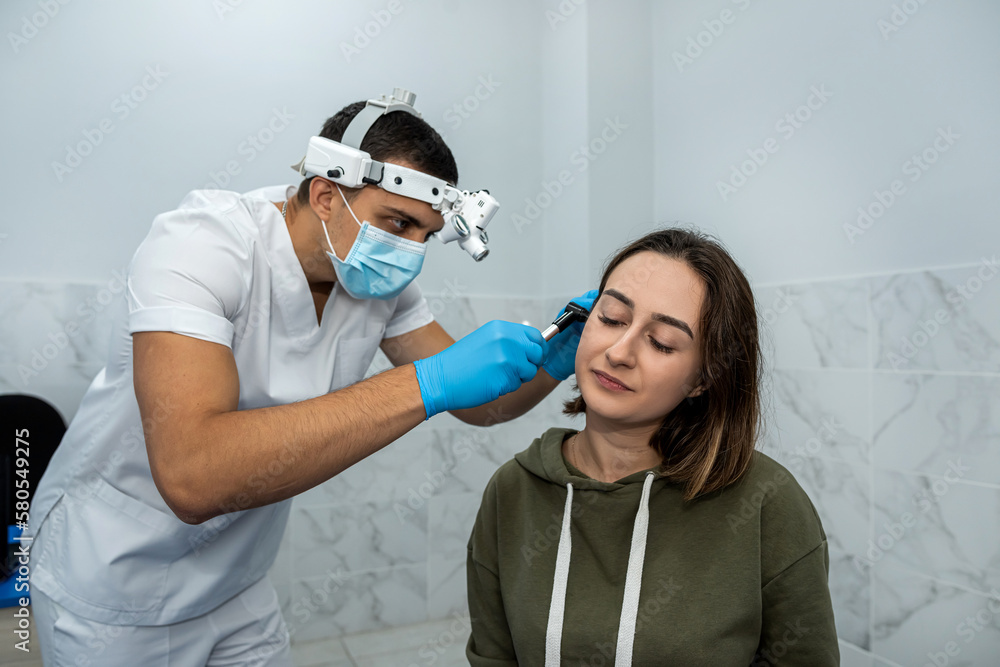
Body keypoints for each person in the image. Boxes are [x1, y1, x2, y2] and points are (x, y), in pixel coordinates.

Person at [25, 95, 593, 665]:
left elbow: (480, 405)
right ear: (326, 193)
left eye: (425, 234)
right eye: (398, 223)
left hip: (235, 585)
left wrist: (556, 353)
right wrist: (429, 382)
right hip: (112, 583)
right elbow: (191, 476)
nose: (411, 253)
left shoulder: (377, 285)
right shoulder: (203, 244)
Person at [466, 228, 840, 666]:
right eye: (610, 318)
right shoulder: (512, 491)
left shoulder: (766, 503)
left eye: (661, 342)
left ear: (703, 378)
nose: (620, 352)